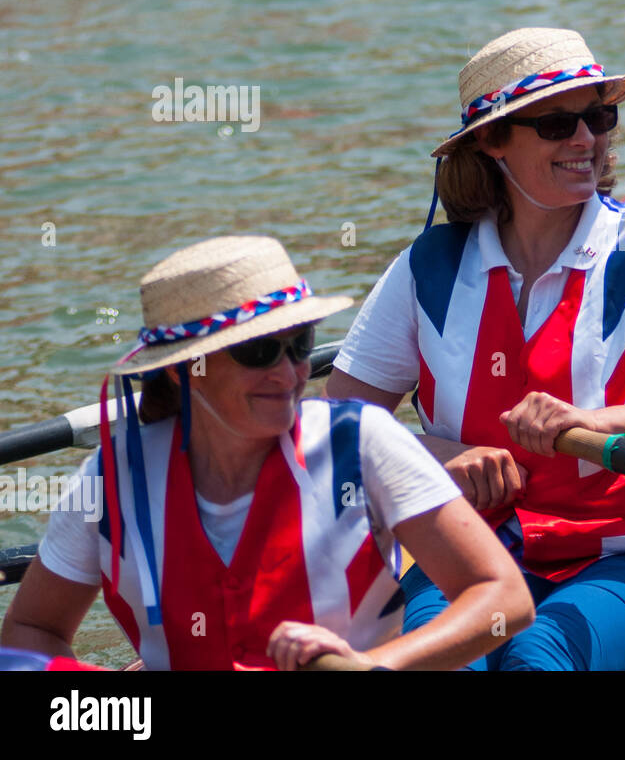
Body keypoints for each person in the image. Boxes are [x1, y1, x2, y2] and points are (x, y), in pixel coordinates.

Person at [326, 27, 625, 670]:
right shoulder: (430, 267)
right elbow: (341, 431)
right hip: (477, 551)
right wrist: (438, 456)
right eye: (558, 124)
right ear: (492, 142)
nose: (586, 139)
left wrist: (597, 423)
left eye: (598, 116)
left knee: (538, 656)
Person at [1, 236, 533, 670]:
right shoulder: (113, 478)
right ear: (184, 369)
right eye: (258, 351)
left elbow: (503, 597)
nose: (290, 373)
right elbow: (29, 635)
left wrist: (376, 667)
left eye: (299, 343)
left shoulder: (364, 442)